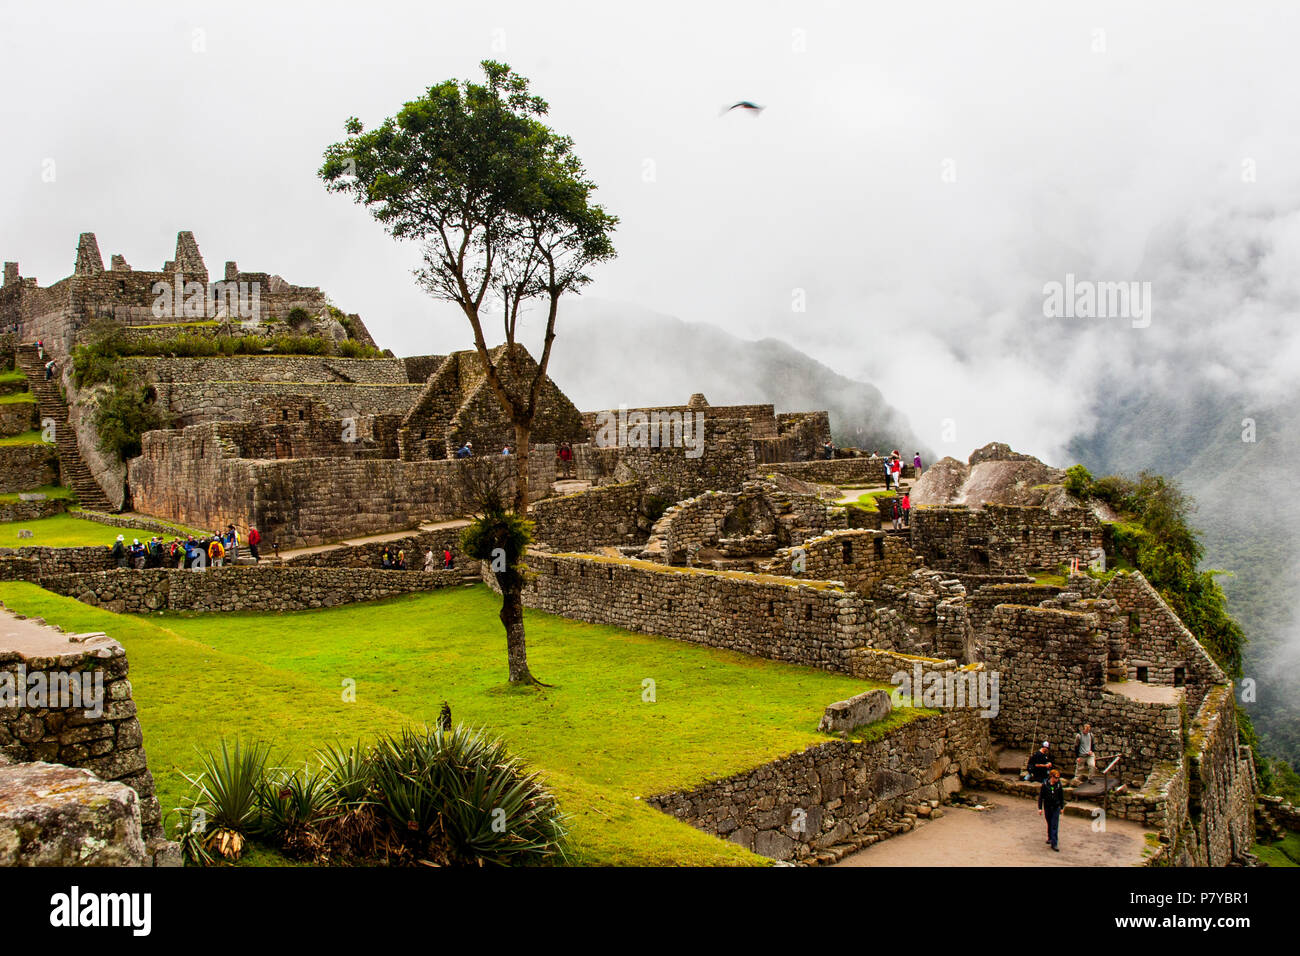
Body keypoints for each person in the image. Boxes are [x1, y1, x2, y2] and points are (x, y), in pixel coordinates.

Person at [1038, 769, 1066, 851]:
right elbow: (1041, 797)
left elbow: (1061, 797)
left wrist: (1061, 807)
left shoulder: (1059, 785)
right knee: (1049, 822)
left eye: (1058, 778)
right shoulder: (1045, 785)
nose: (1057, 779)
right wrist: (1040, 808)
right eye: (1055, 777)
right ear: (1051, 776)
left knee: (1054, 825)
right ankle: (1050, 837)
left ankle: (1054, 843)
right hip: (1047, 807)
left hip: (1055, 807)